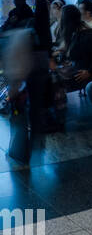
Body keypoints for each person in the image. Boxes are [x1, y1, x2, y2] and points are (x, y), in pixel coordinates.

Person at [5, 27, 56, 171]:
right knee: (36, 113)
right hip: (40, 68)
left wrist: (14, 86)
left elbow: (17, 65)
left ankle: (20, 155)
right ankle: (36, 150)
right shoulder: (31, 30)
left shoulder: (14, 35)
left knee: (19, 117)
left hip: (27, 74)